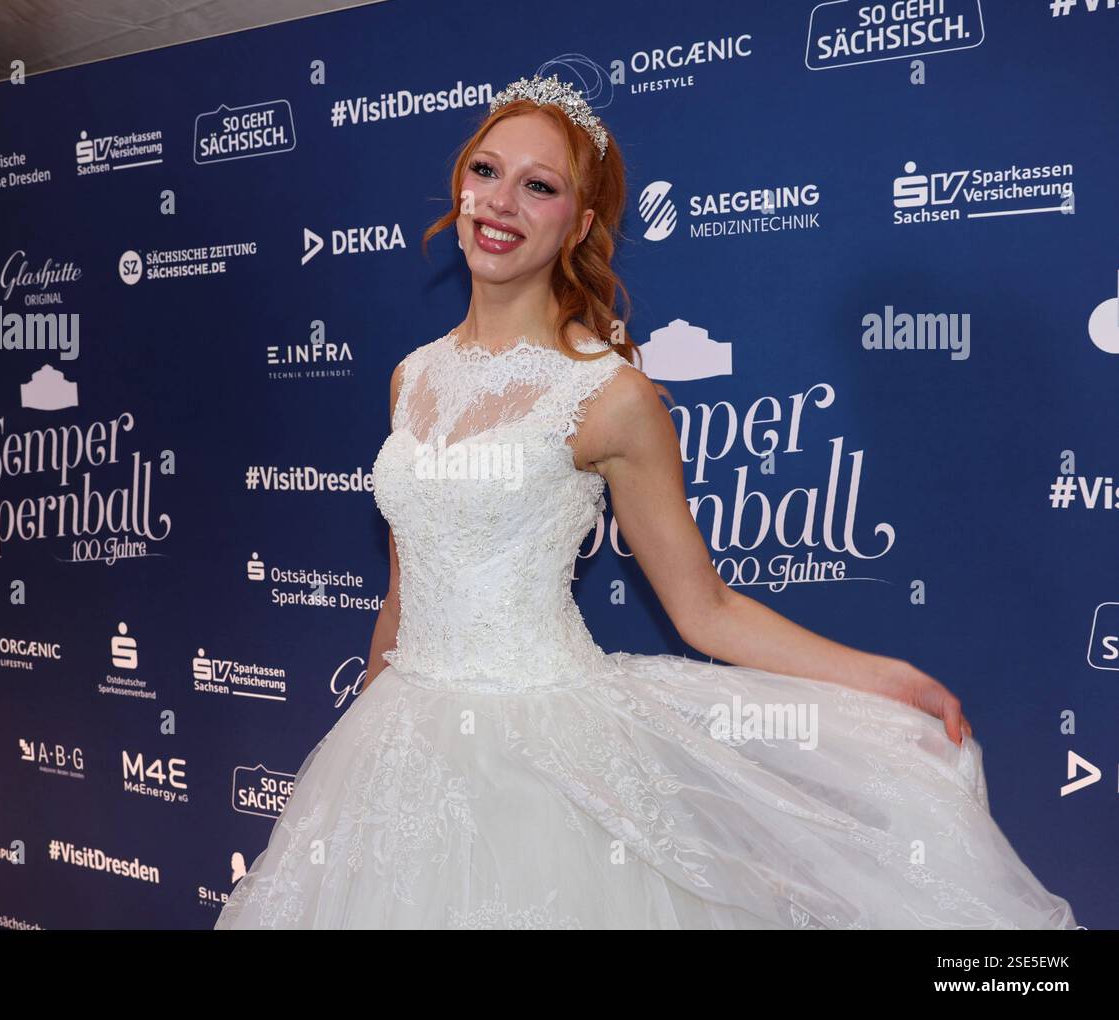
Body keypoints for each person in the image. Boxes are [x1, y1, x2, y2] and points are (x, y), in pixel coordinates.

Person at [215, 73, 1076, 930]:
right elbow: (402, 599)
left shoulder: (610, 395)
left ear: (578, 224)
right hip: (399, 746)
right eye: (487, 171)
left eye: (538, 186)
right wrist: (362, 744)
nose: (500, 202)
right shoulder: (412, 376)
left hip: (541, 759)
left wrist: (887, 679)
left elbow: (706, 610)